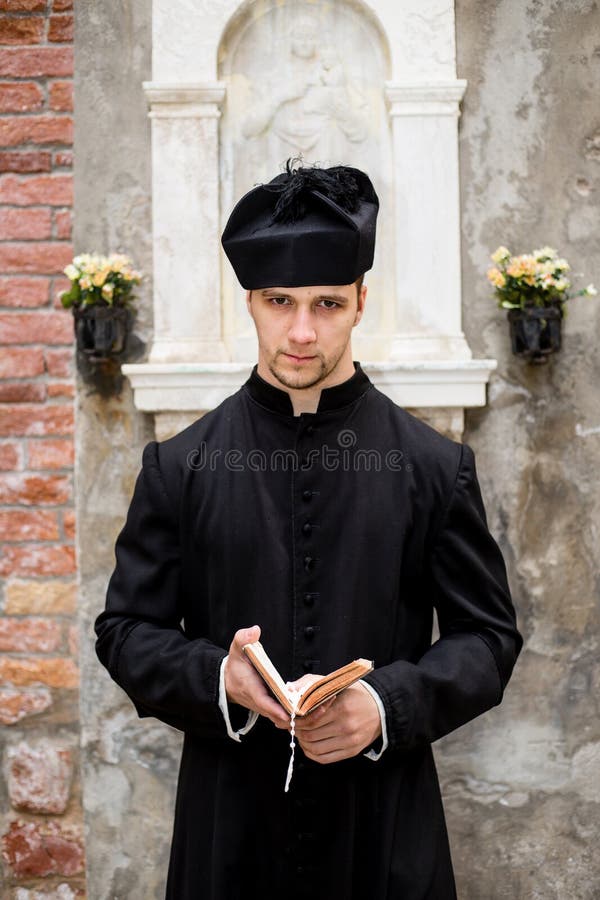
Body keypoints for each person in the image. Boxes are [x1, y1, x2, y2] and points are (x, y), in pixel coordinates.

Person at [95, 160, 522, 900]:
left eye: (326, 303)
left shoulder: (433, 465)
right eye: (278, 302)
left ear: (361, 302)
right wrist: (219, 678)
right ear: (250, 304)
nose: (300, 331)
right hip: (229, 834)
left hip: (385, 832)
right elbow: (125, 630)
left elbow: (488, 639)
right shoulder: (179, 465)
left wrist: (385, 704)